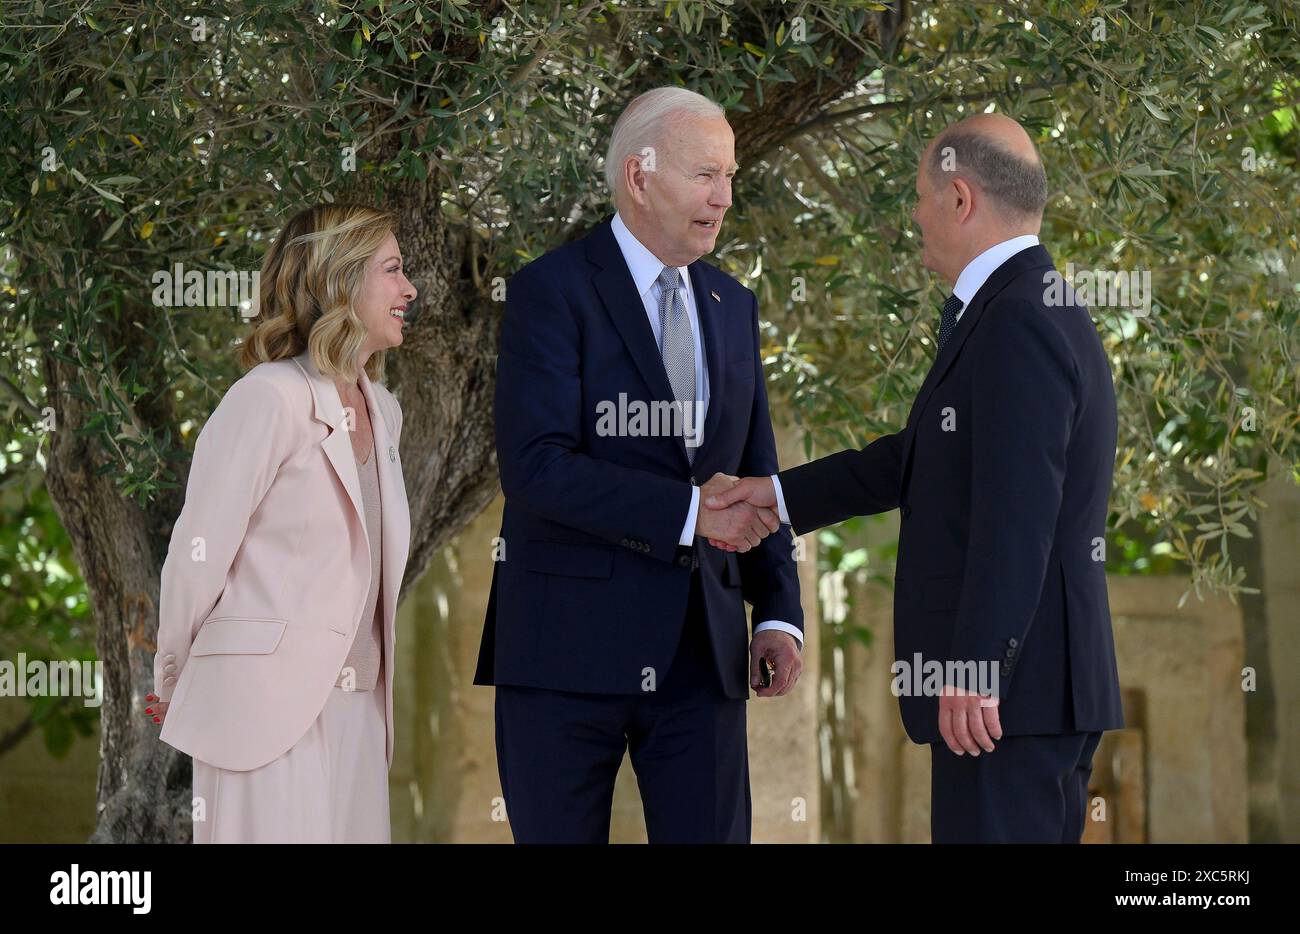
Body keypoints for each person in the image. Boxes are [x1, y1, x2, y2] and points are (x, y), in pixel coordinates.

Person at [708, 114, 1125, 843]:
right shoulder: (1028, 305)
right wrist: (776, 496)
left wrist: (974, 665)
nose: (914, 213)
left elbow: (1019, 510)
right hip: (1029, 693)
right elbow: (923, 458)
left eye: (920, 195)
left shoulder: (1017, 318)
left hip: (1005, 698)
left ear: (960, 199)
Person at [475, 86, 804, 843]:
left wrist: (778, 612)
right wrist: (690, 513)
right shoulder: (550, 291)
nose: (724, 197)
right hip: (563, 656)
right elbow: (534, 465)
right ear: (639, 176)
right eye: (705, 176)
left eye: (730, 177)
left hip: (704, 656)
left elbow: (757, 470)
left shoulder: (733, 303)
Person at [148, 203, 416, 843]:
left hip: (360, 706)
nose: (409, 290)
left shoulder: (385, 411)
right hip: (263, 708)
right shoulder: (268, 397)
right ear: (341, 283)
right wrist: (174, 678)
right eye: (392, 270)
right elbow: (197, 551)